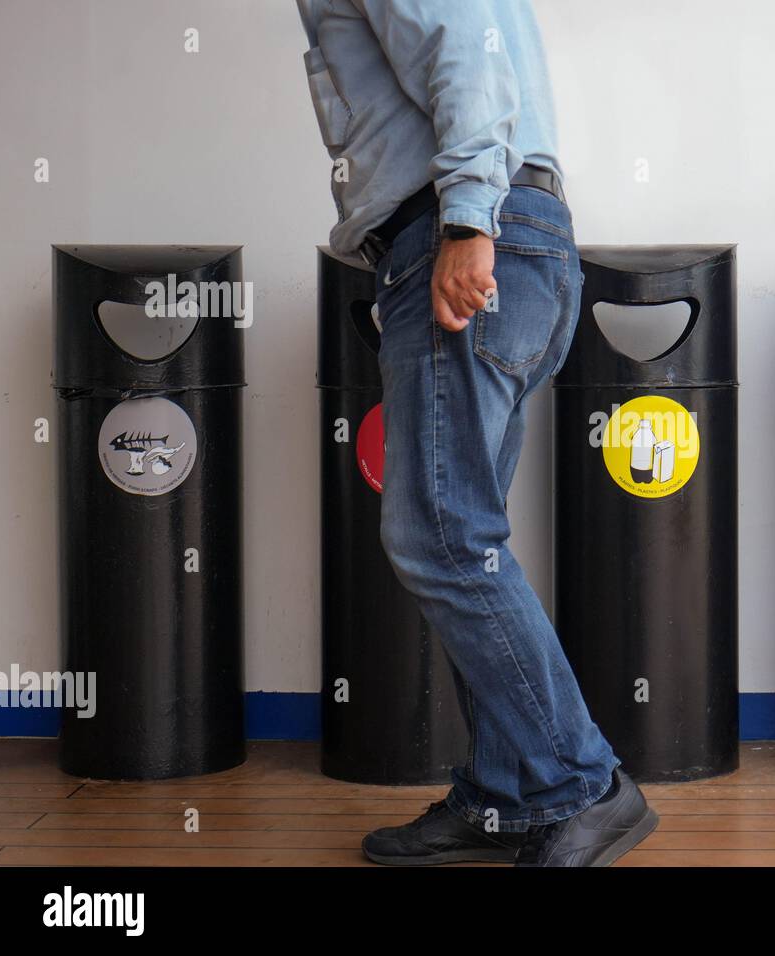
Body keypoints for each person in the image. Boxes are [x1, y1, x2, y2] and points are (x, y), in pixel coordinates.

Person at [296, 0, 657, 867]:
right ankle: (509, 793)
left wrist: (463, 223)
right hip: (498, 236)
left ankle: (583, 782)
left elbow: (466, 51)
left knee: (443, 535)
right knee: (466, 537)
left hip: (466, 235)